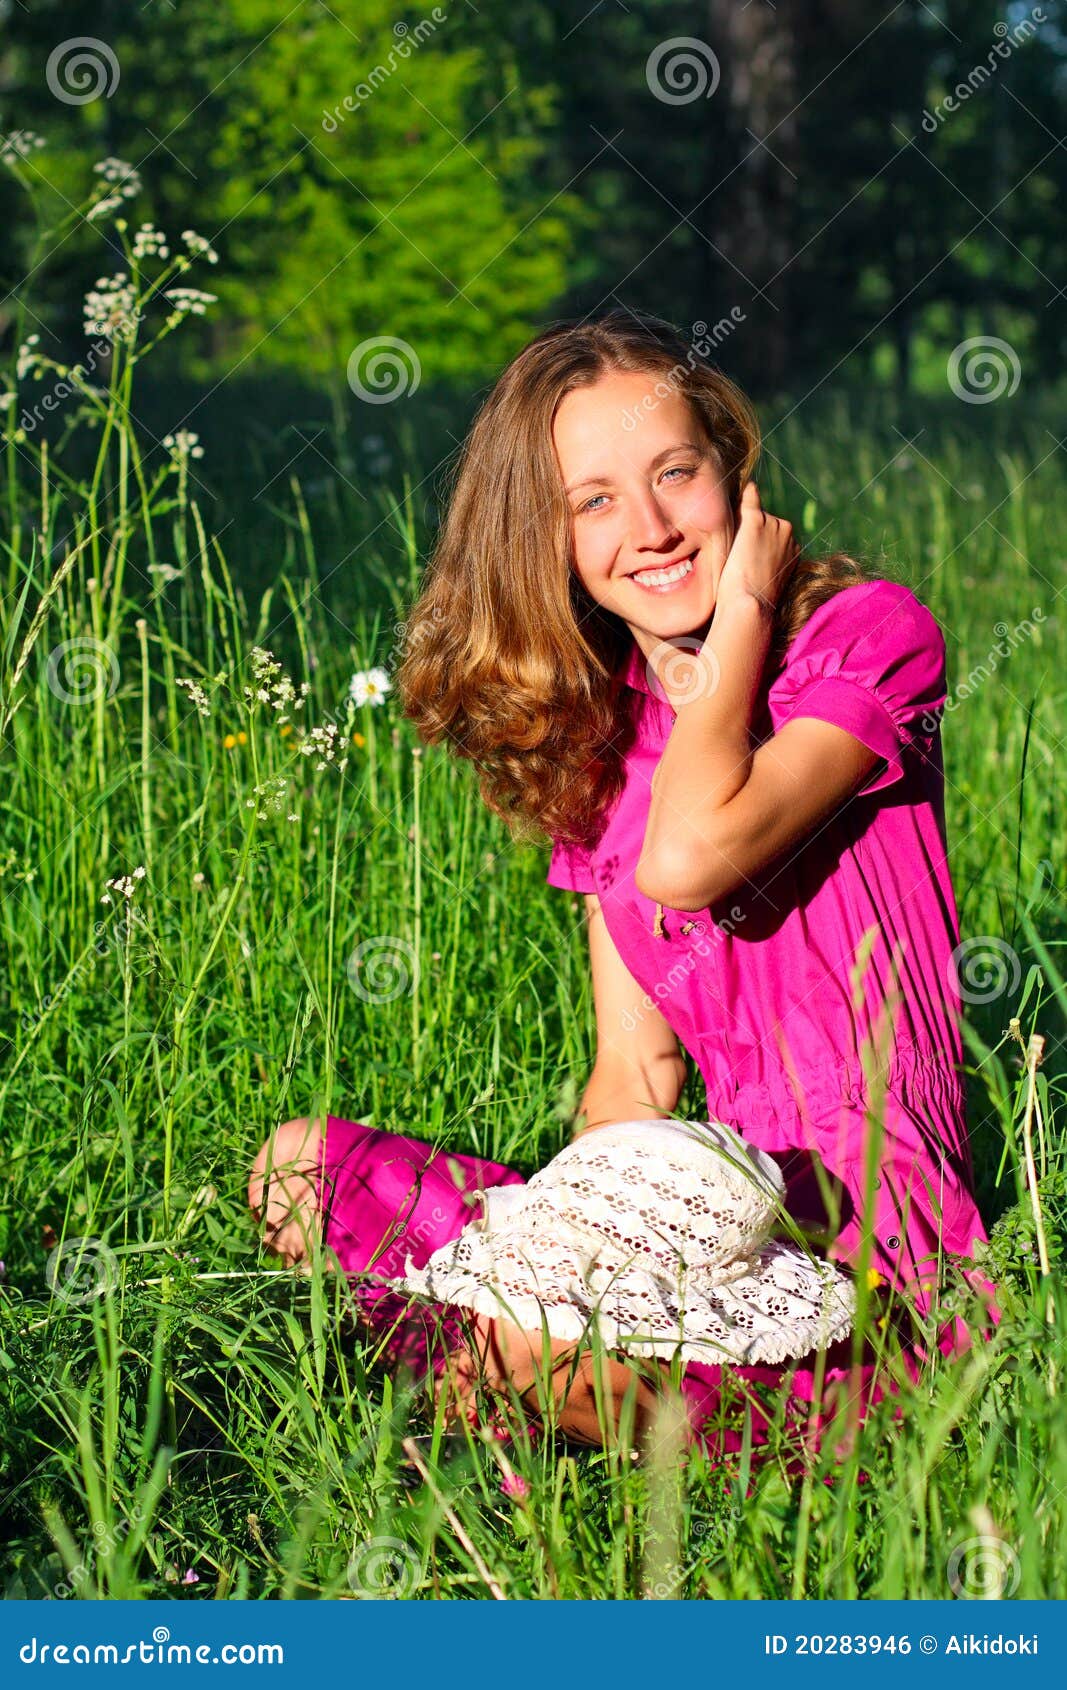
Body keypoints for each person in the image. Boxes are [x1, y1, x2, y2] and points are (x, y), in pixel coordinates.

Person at [248, 309, 1000, 1461]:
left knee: (535, 1355)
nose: (646, 528)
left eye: (672, 475)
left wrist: (742, 613)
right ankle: (522, 1371)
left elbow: (691, 856)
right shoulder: (601, 745)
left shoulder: (860, 639)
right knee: (302, 1169)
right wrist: (566, 1250)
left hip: (864, 1222)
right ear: (539, 537)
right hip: (702, 1198)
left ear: (735, 482)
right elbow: (632, 1080)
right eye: (592, 500)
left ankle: (577, 1386)